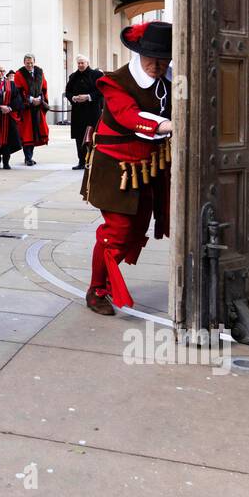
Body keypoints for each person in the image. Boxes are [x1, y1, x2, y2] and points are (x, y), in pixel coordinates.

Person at [80, 21, 173, 316]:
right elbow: (128, 115)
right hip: (114, 169)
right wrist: (169, 124)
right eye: (151, 59)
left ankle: (103, 282)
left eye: (164, 59)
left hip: (150, 168)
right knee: (116, 233)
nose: (157, 65)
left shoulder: (172, 81)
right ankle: (97, 290)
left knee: (136, 230)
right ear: (138, 54)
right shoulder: (114, 82)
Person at [65, 55, 103, 170]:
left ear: (87, 63)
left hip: (92, 111)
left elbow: (101, 91)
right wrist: (74, 98)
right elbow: (68, 91)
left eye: (82, 63)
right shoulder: (73, 76)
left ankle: (94, 161)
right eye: (79, 63)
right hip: (78, 112)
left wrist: (88, 97)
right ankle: (81, 161)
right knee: (79, 137)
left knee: (93, 136)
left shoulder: (97, 75)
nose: (80, 65)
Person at [14, 54, 49, 166]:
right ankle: (27, 157)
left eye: (31, 63)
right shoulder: (19, 74)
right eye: (27, 63)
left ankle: (30, 157)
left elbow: (44, 88)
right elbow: (18, 90)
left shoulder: (40, 72)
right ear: (24, 63)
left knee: (35, 133)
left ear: (34, 62)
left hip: (37, 108)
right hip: (26, 109)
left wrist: (40, 99)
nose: (29, 65)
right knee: (27, 133)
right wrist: (29, 99)